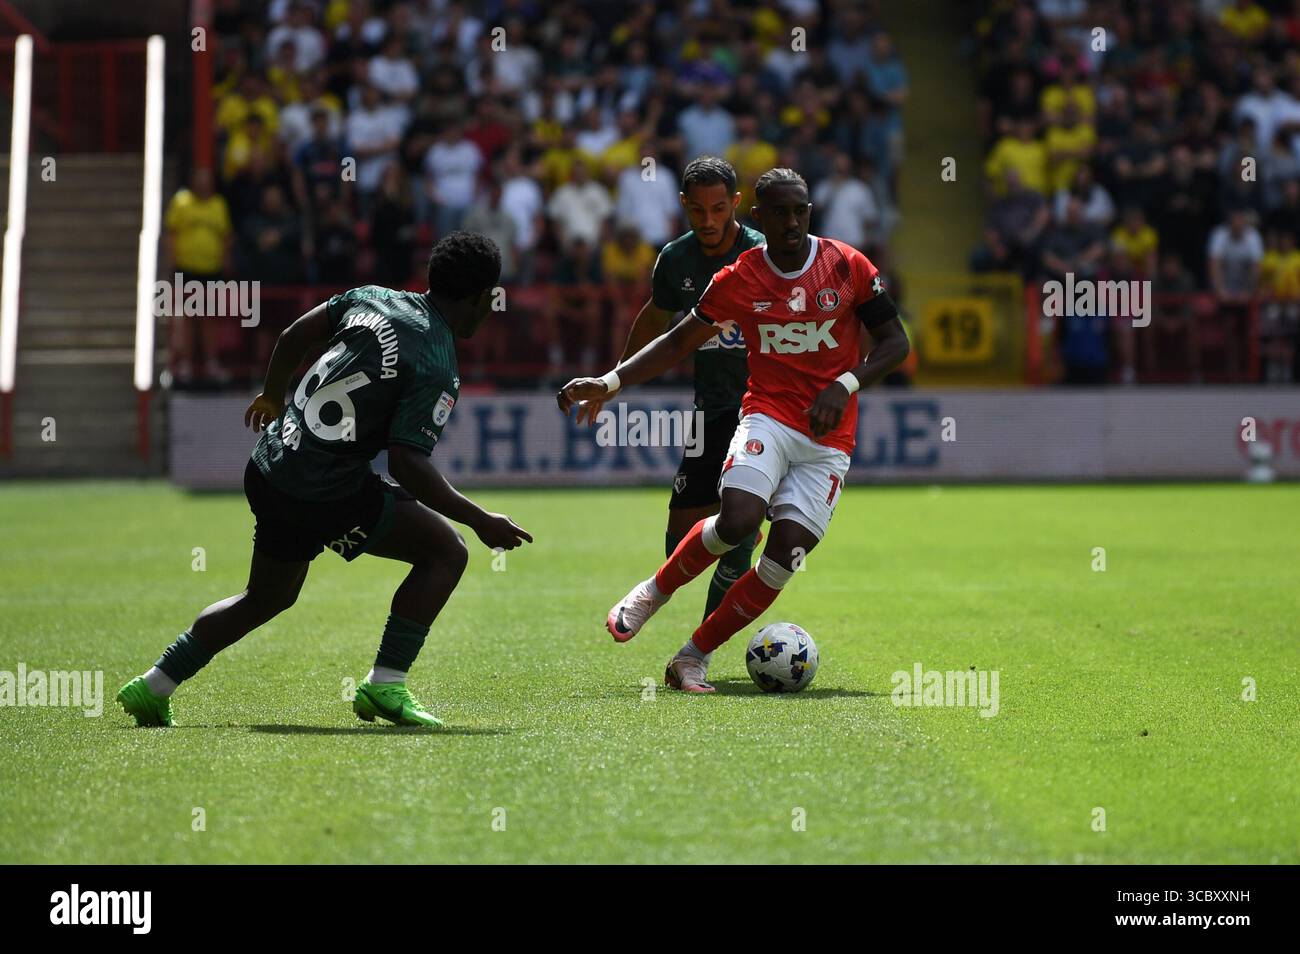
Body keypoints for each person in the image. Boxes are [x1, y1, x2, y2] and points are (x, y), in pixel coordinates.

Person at [117, 233, 532, 728]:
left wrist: (272, 396)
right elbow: (407, 464)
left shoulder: (371, 297)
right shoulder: (436, 361)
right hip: (323, 488)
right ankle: (386, 686)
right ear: (480, 297)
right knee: (448, 551)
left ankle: (155, 684)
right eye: (492, 298)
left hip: (272, 465)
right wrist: (480, 518)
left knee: (266, 597)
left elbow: (292, 335)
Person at [558, 168, 909, 692]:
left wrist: (846, 384)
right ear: (759, 217)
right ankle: (652, 591)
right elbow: (678, 341)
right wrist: (611, 381)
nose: (792, 222)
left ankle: (691, 657)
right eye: (780, 212)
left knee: (784, 557)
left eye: (801, 211)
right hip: (766, 414)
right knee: (739, 518)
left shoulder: (846, 265)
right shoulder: (740, 278)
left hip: (828, 442)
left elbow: (894, 343)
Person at [578, 156, 766, 634]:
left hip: (762, 406)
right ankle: (732, 553)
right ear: (683, 204)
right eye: (698, 210)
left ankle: (708, 637)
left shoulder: (761, 256)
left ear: (736, 205)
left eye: (719, 209)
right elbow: (656, 320)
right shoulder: (675, 259)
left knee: (737, 528)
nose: (709, 221)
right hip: (710, 407)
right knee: (679, 539)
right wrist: (613, 380)